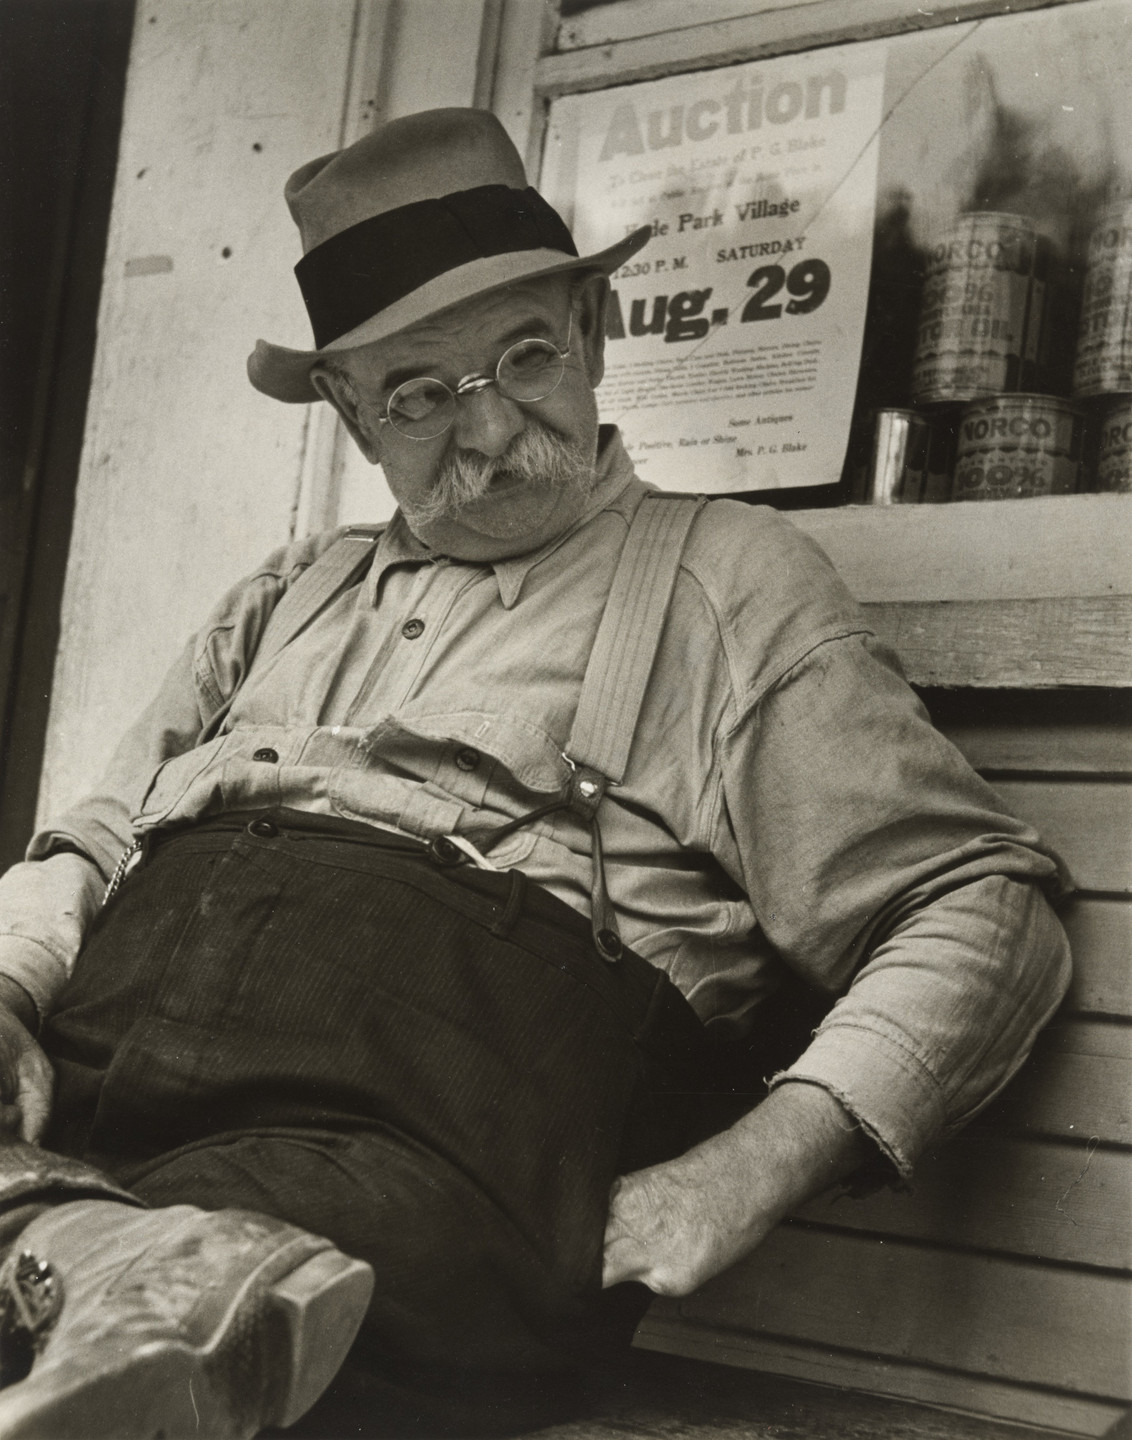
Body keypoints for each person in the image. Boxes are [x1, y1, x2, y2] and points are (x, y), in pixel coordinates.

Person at [0, 108, 1071, 1438]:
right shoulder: (286, 594)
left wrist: (750, 1167)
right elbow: (93, 840)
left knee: (199, 1298)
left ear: (594, 331)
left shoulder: (727, 587)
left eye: (526, 355)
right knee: (103, 1290)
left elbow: (981, 906)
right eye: (420, 394)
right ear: (350, 415)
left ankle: (78, 1256)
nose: (495, 428)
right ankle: (77, 1249)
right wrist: (9, 988)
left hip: (413, 1170)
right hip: (97, 1102)